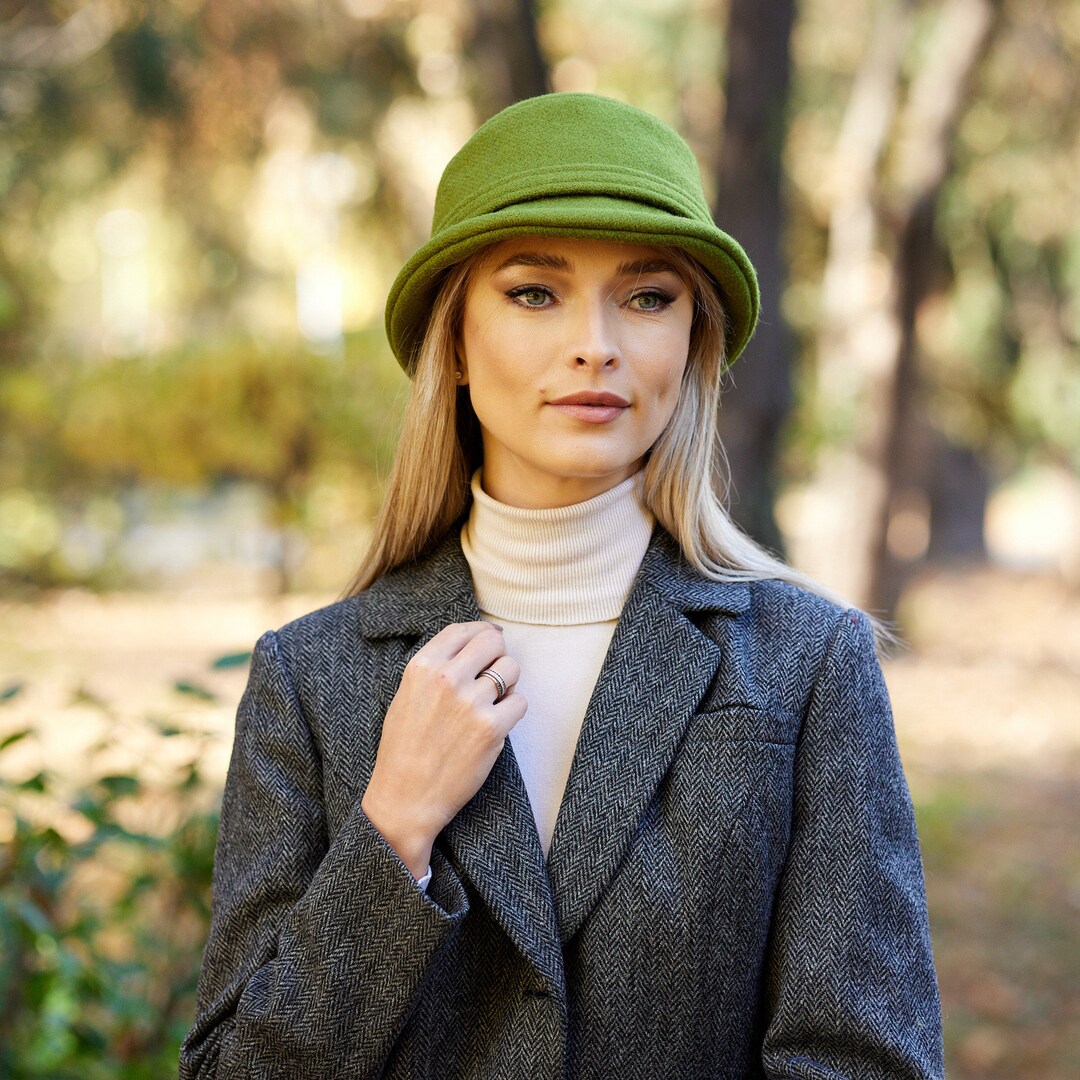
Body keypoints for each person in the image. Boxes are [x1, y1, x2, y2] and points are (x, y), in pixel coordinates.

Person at [180, 93, 944, 1079]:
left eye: (649, 297)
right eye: (535, 292)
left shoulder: (808, 666)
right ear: (452, 342)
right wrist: (395, 829)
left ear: (692, 344)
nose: (597, 344)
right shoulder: (312, 679)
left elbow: (865, 1059)